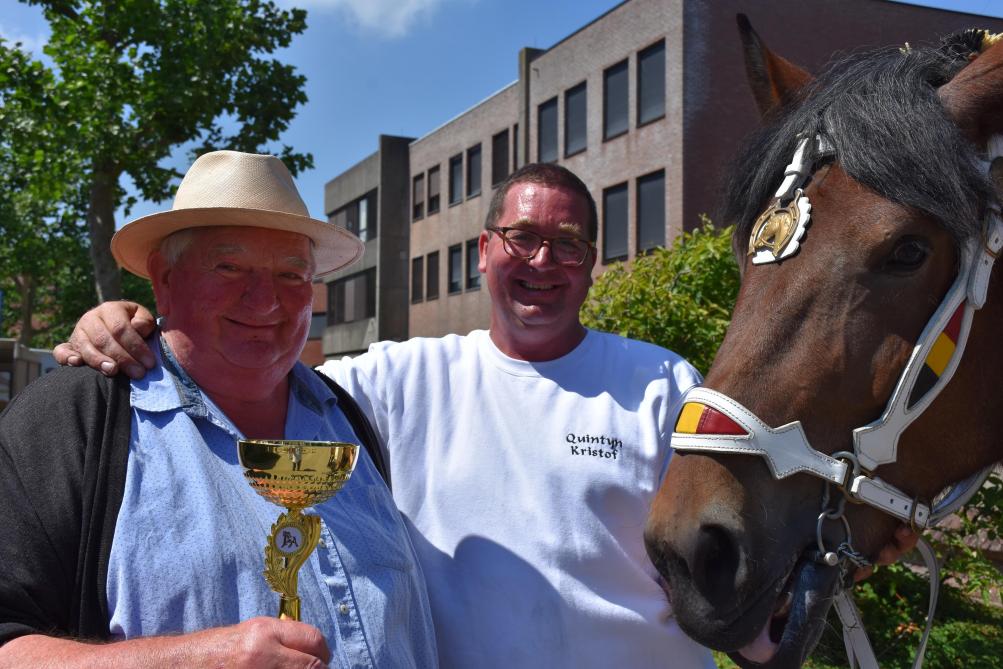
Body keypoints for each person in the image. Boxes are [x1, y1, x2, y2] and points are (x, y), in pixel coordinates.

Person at [55, 163, 917, 667]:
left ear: (591, 263)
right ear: (483, 255)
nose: (542, 261)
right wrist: (125, 326)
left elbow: (734, 562)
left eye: (567, 244)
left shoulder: (660, 382)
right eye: (522, 239)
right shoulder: (390, 380)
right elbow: (251, 360)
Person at [0, 150, 437, 668]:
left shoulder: (347, 416)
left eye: (293, 275)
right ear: (164, 278)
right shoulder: (77, 418)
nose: (265, 301)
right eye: (229, 267)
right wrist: (190, 660)